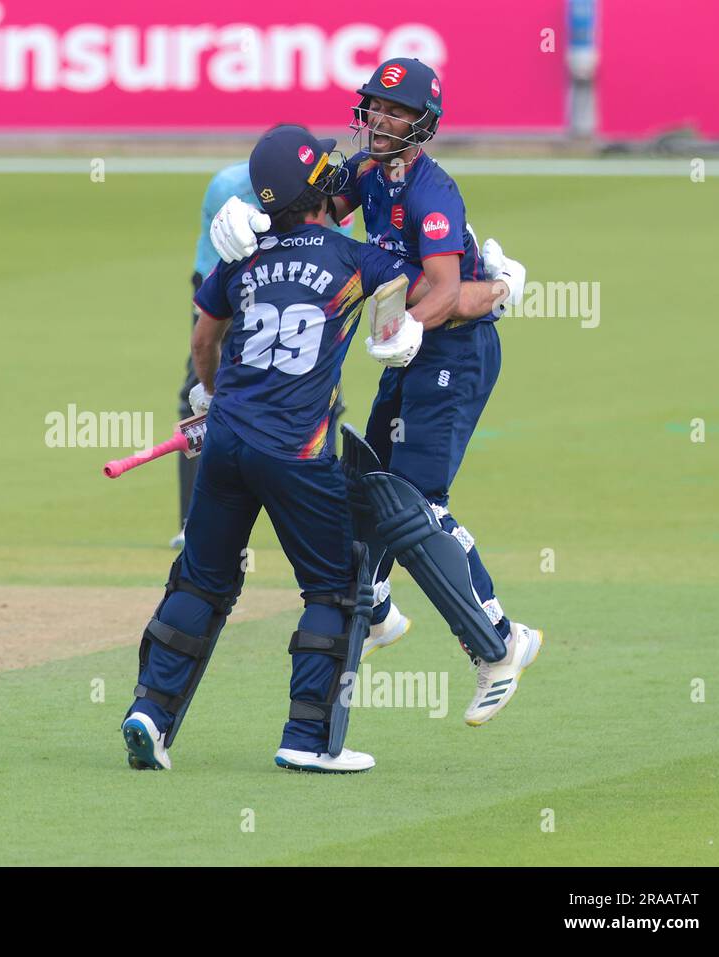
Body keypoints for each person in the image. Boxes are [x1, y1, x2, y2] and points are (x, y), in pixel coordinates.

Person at [122, 127, 498, 774]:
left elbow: (204, 341)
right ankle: (308, 737)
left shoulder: (238, 257)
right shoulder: (357, 260)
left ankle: (150, 715)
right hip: (296, 452)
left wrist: (212, 397)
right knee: (338, 587)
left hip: (227, 443)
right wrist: (500, 287)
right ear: (324, 188)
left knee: (202, 581)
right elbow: (444, 298)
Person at [209, 58, 540, 728]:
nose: (381, 120)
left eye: (397, 112)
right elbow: (305, 208)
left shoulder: (433, 191)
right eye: (375, 107)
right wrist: (246, 213)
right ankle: (380, 599)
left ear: (424, 124)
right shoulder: (364, 173)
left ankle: (503, 642)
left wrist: (426, 320)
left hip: (456, 350)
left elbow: (445, 290)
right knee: (376, 484)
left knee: (416, 500)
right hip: (410, 349)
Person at [172, 161, 355, 549]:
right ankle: (194, 519)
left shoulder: (330, 191)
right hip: (226, 279)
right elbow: (213, 272)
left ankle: (322, 507)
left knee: (321, 390)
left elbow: (327, 250)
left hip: (304, 285)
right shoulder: (227, 187)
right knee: (199, 393)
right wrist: (212, 374)